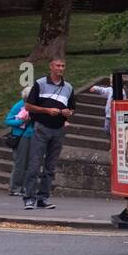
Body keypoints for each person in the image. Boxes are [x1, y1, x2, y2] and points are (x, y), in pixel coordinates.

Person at [22, 58, 76, 210]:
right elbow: (28, 106)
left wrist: (68, 112)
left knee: (50, 167)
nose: (60, 68)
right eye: (57, 65)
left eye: (63, 66)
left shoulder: (69, 87)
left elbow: (72, 108)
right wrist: (46, 110)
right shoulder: (40, 83)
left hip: (58, 129)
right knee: (34, 164)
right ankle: (29, 198)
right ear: (51, 67)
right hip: (42, 128)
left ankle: (43, 198)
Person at [3, 87, 33, 196]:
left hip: (32, 136)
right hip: (21, 136)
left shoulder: (35, 106)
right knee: (20, 163)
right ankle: (15, 188)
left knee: (28, 164)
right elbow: (8, 120)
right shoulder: (19, 105)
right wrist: (21, 121)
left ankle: (23, 187)